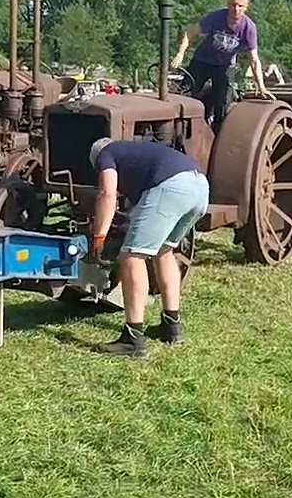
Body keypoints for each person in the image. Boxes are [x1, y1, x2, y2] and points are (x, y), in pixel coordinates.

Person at [88, 138, 210, 357]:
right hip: (200, 187)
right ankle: (171, 326)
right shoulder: (134, 151)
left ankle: (133, 339)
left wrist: (99, 236)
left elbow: (107, 194)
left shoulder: (105, 153)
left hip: (172, 187)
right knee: (164, 250)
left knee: (132, 256)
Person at [170, 0, 274, 132]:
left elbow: (254, 60)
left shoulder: (248, 28)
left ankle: (216, 134)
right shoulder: (216, 17)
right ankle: (177, 130)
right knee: (185, 93)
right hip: (203, 61)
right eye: (233, 5)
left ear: (246, 7)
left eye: (240, 6)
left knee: (223, 104)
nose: (236, 9)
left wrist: (261, 87)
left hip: (224, 66)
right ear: (228, 4)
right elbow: (190, 32)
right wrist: (180, 54)